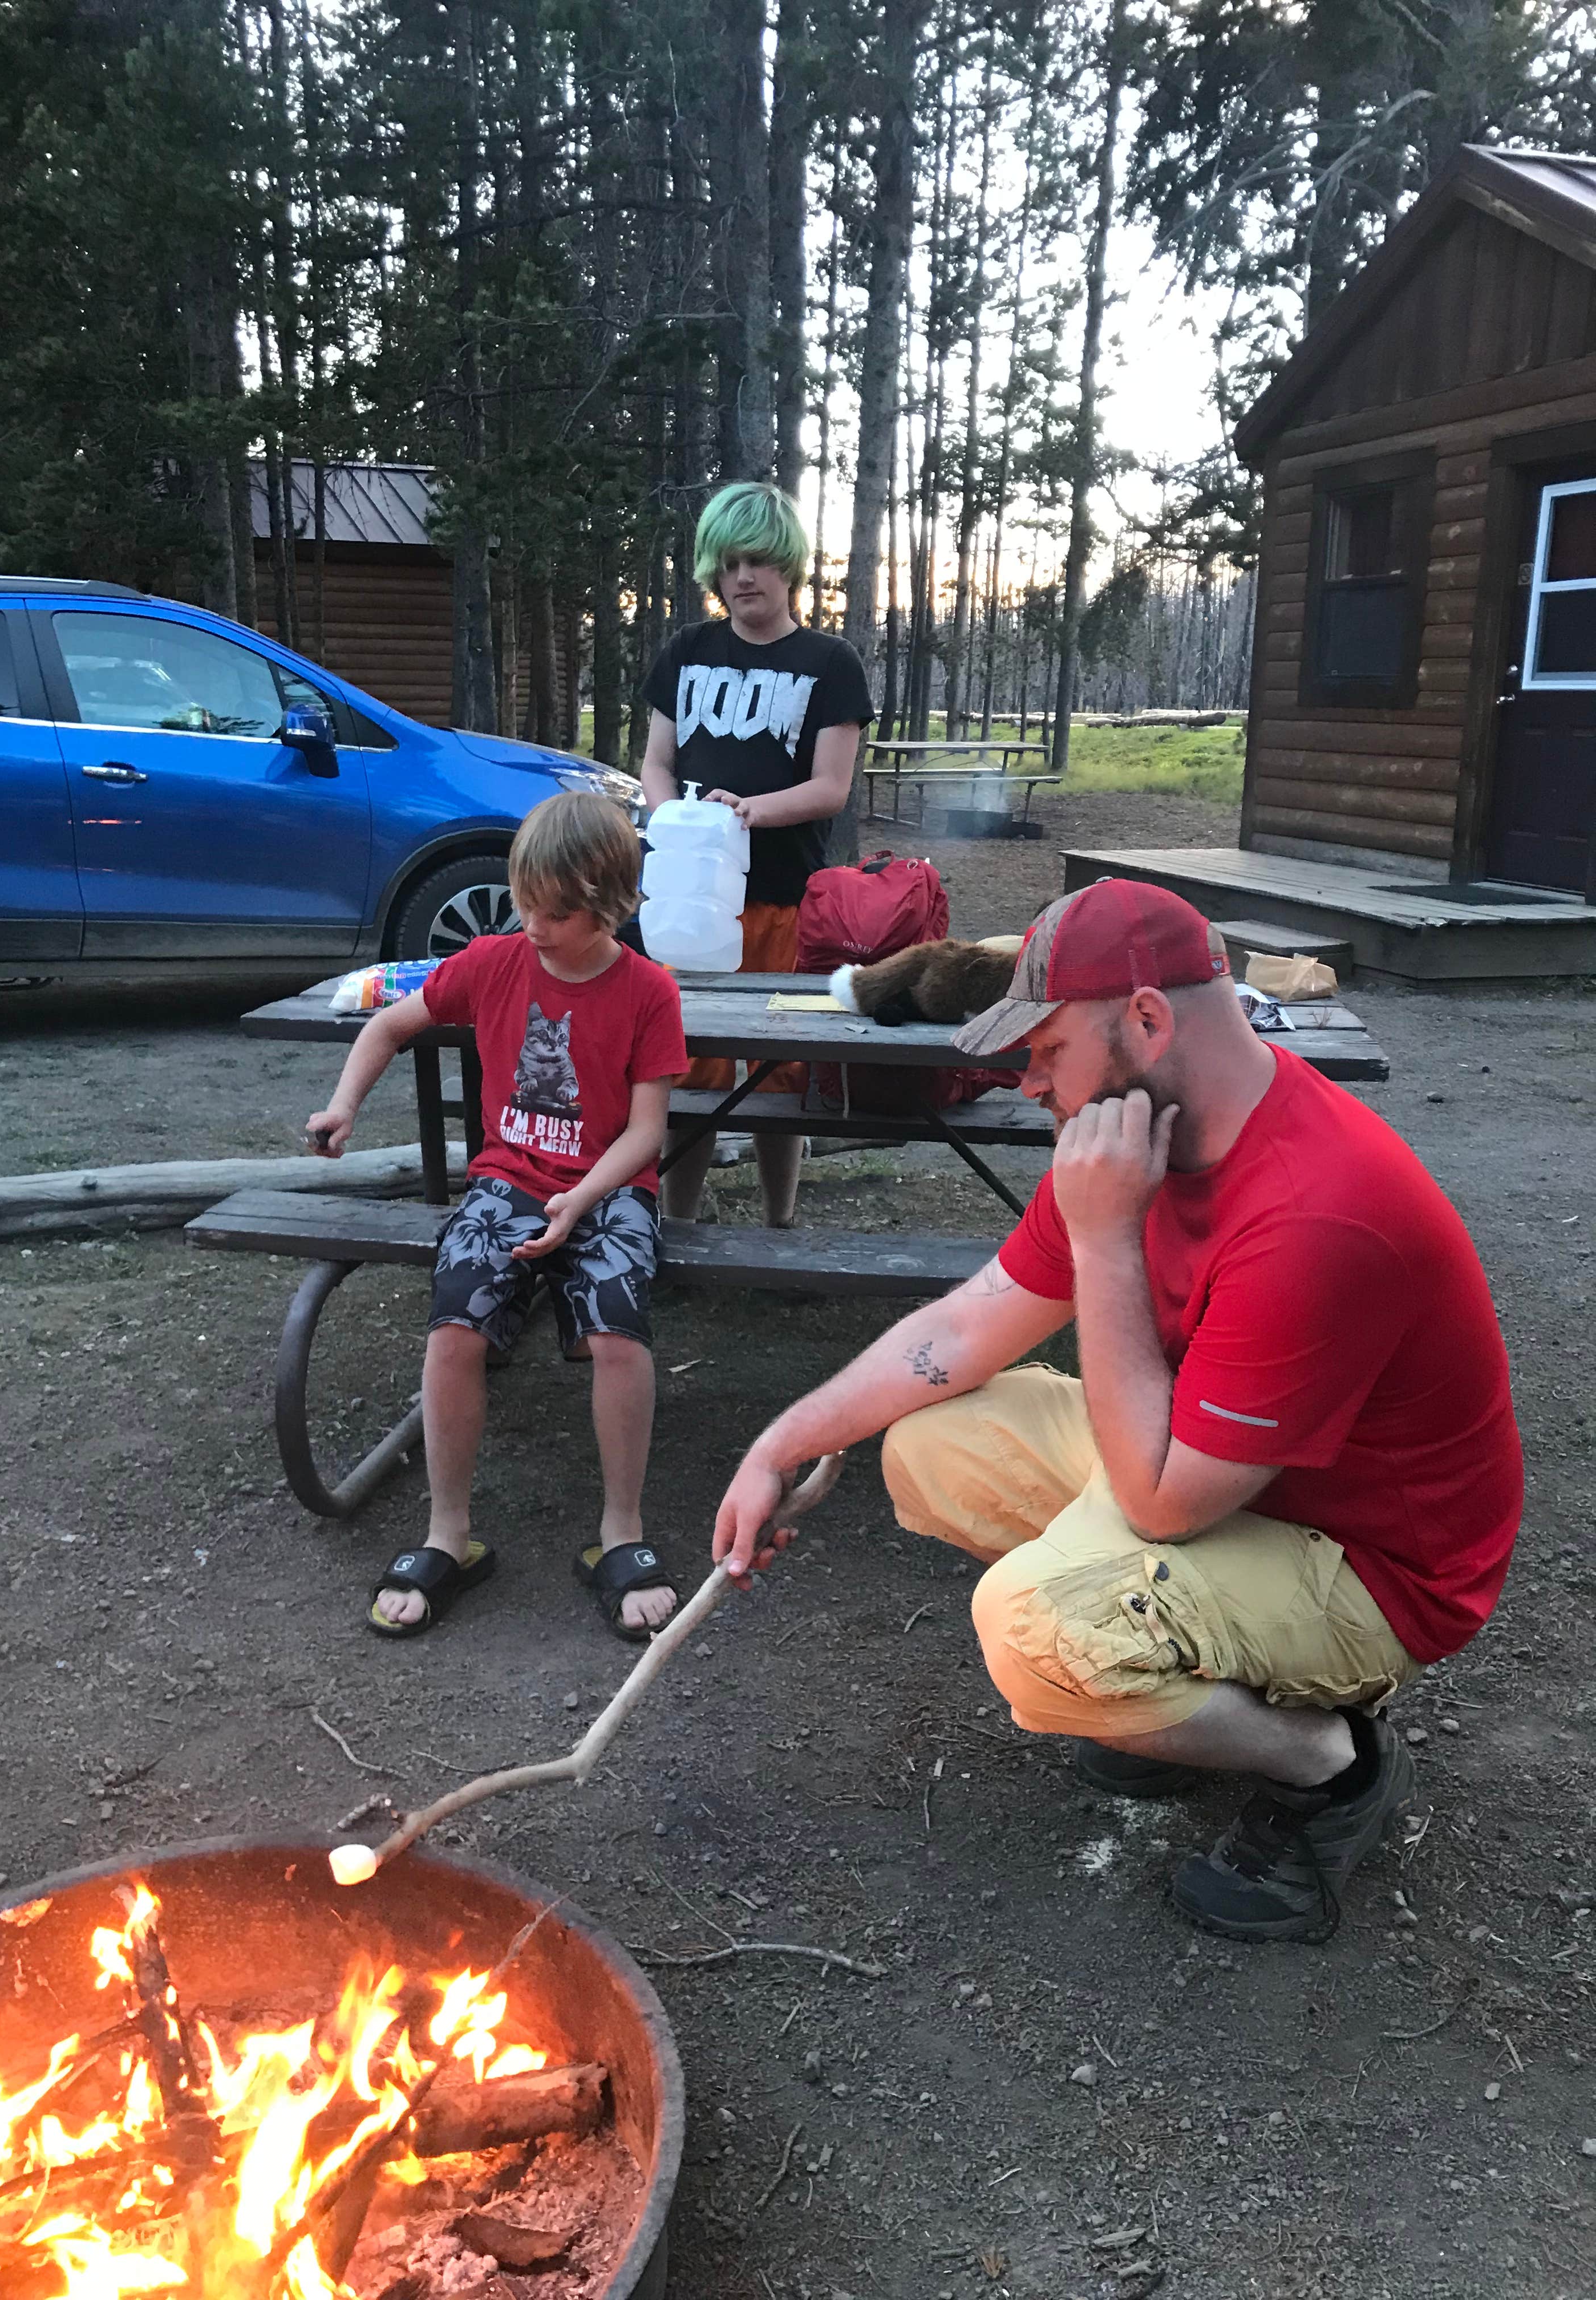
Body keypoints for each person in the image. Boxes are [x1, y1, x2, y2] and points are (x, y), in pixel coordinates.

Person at [711, 880, 1523, 1942]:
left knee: (1039, 1631)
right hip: (1227, 1480)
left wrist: (1103, 1244)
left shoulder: (1319, 1212)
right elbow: (965, 1334)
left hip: (1374, 1570)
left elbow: (1158, 1501)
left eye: (1045, 1048)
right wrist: (784, 1441)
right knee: (933, 1444)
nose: (1026, 1082)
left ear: (1146, 1019)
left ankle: (1331, 1762)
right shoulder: (1131, 1134)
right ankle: (1174, 1683)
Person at [307, 792, 689, 1643]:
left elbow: (647, 1132)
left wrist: (583, 1198)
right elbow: (389, 1028)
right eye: (526, 904)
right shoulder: (493, 961)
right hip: (506, 1182)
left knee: (619, 1332)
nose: (538, 926)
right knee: (454, 1329)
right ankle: (450, 1534)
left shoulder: (649, 991)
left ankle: (620, 1531)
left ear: (612, 904)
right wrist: (343, 1107)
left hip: (610, 1187)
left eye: (558, 913)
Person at [639, 480, 873, 1228]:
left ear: (789, 568)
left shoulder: (829, 662)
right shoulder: (686, 651)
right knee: (690, 1068)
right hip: (690, 906)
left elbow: (832, 787)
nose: (744, 577)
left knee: (779, 1072)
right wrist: (672, 819)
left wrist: (747, 814)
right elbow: (654, 763)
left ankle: (779, 1224)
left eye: (761, 562)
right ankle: (679, 1223)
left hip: (785, 902)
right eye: (732, 561)